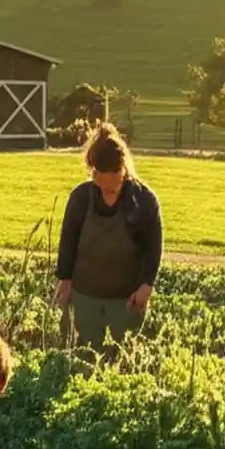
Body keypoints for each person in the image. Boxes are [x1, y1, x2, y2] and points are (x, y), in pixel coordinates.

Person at [53, 122, 163, 357]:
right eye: (99, 185)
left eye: (111, 189)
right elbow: (68, 239)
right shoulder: (80, 198)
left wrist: (146, 285)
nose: (105, 192)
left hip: (125, 301)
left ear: (122, 170)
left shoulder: (143, 202)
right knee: (80, 360)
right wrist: (65, 278)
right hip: (84, 298)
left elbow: (153, 248)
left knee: (120, 361)